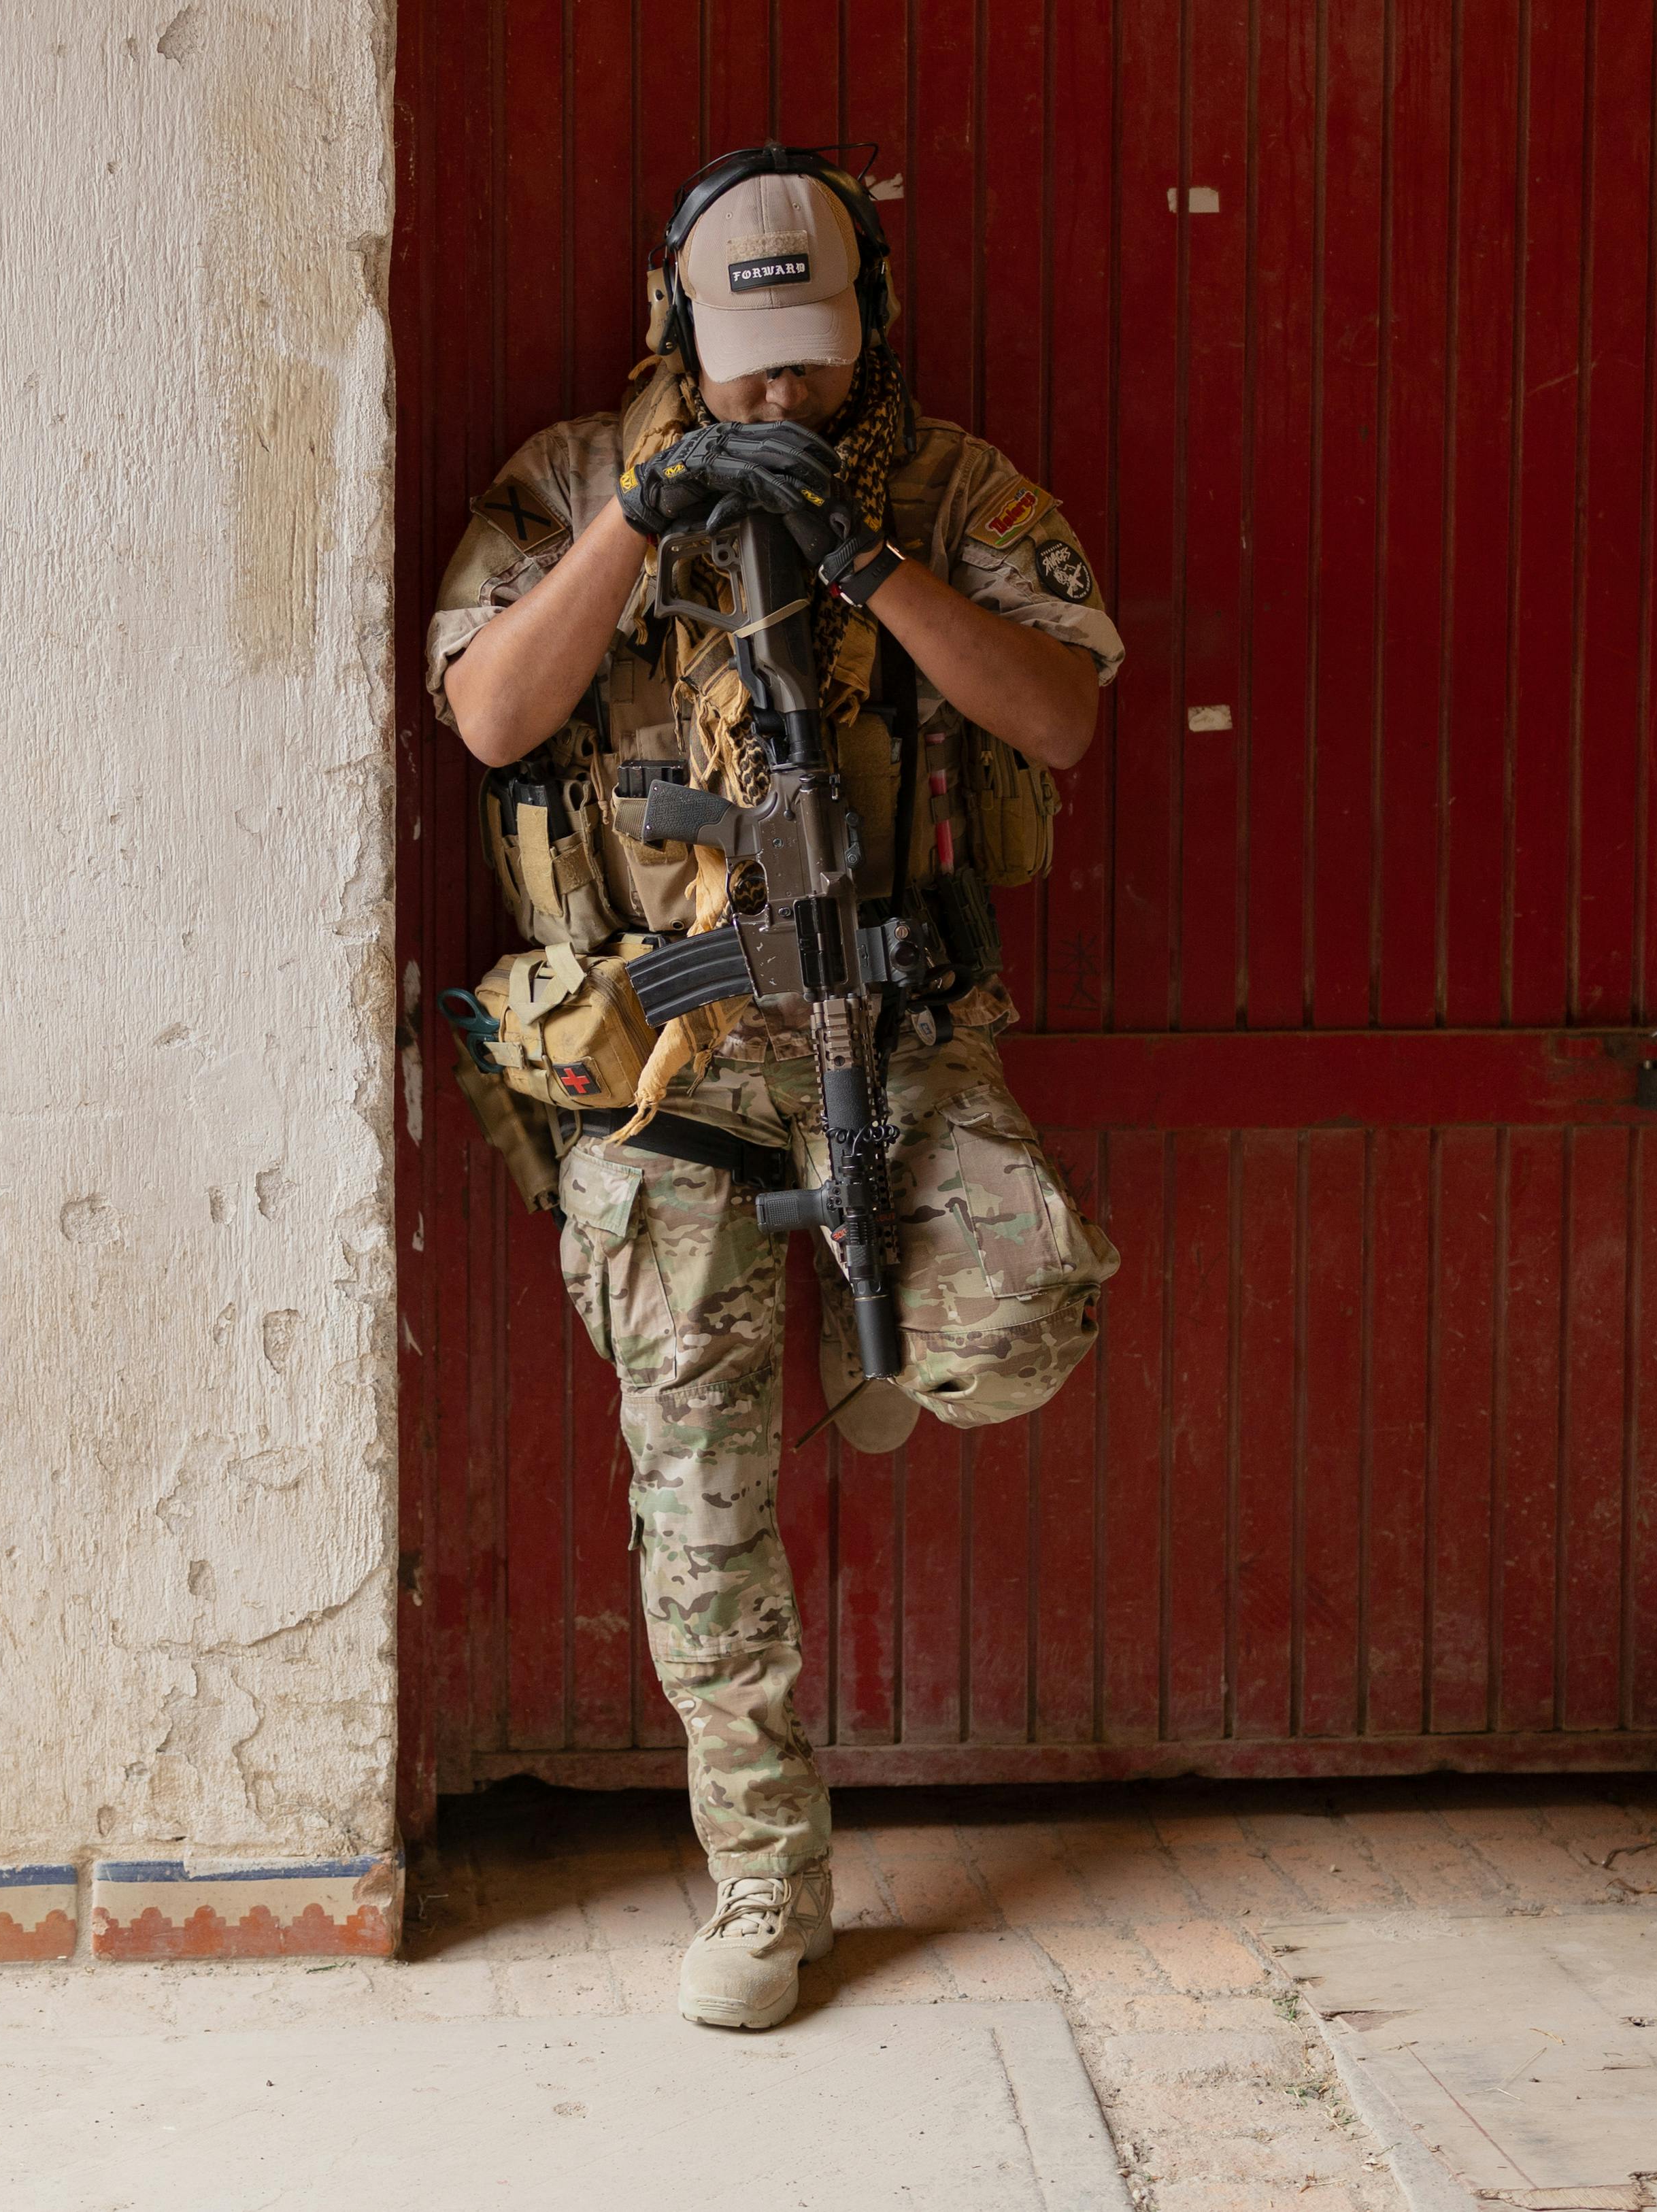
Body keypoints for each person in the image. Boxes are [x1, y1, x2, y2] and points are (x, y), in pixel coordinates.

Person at [426, 145, 1125, 2032]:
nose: (784, 395)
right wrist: (649, 518)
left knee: (1024, 1309)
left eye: (814, 359)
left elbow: (1058, 713)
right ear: (680, 324)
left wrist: (864, 558)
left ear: (867, 326)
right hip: (657, 1059)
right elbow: (490, 714)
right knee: (703, 1490)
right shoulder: (577, 480)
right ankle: (764, 1882)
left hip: (878, 1031)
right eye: (751, 366)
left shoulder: (943, 483)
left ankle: (871, 1319)